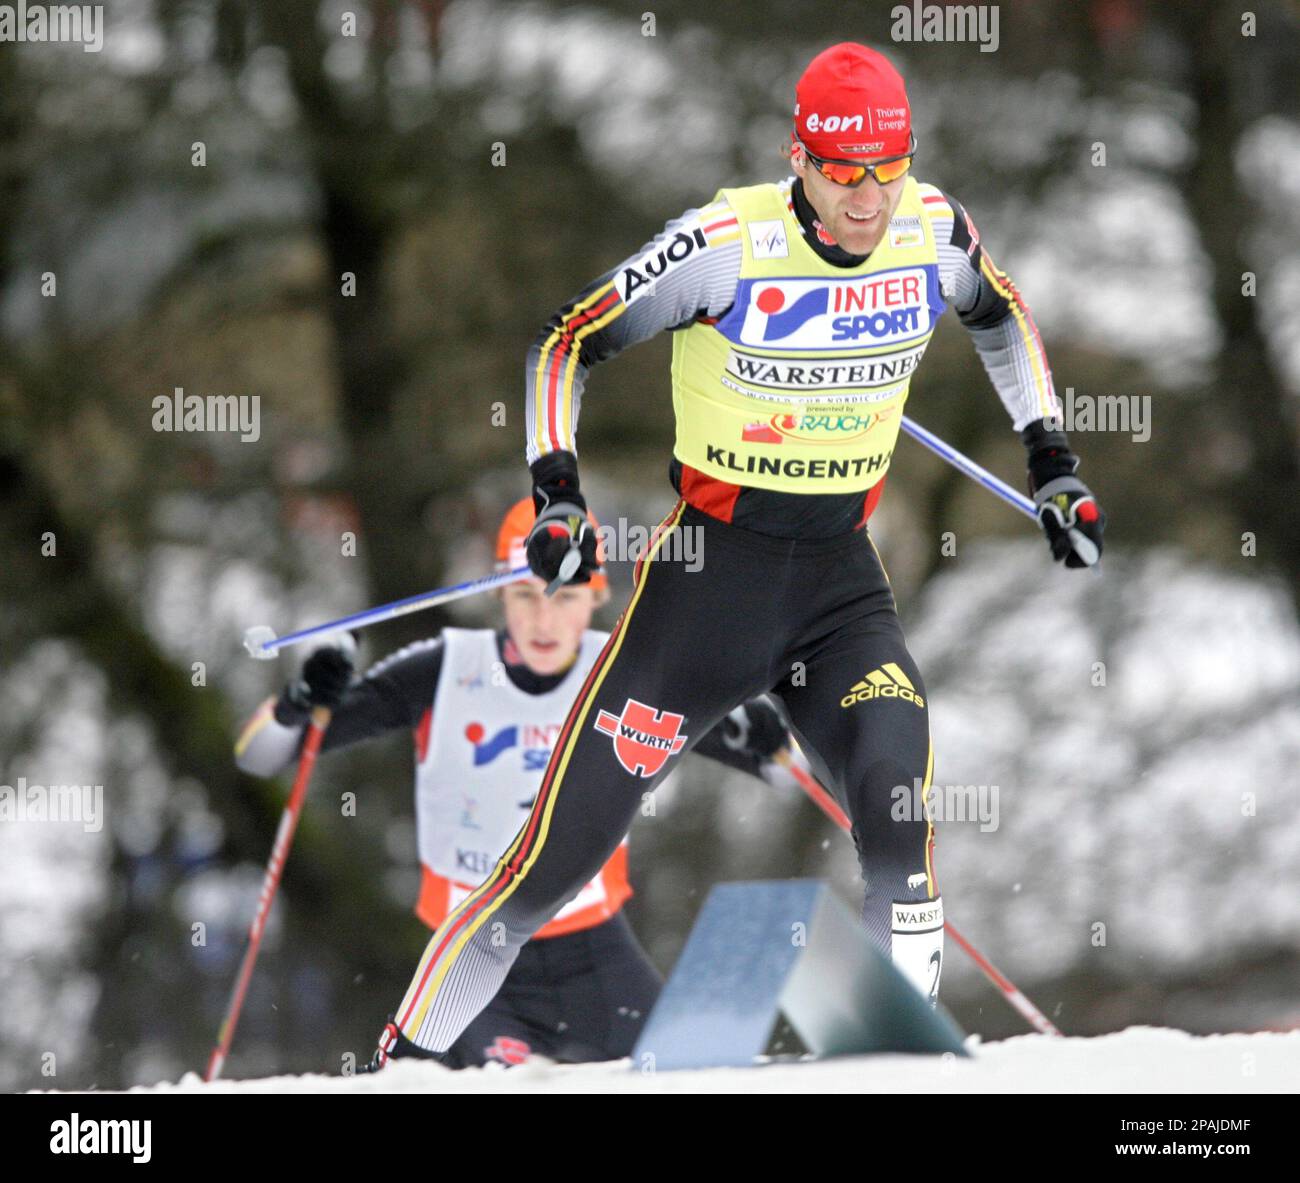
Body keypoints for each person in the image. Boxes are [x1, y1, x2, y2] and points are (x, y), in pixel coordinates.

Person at [379, 41, 1105, 1064]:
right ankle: (404, 1063)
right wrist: (557, 494)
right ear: (798, 158)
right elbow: (566, 341)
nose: (868, 200)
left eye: (887, 170)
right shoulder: (725, 244)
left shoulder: (932, 232)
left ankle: (905, 1066)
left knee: (898, 811)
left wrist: (1052, 460)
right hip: (702, 594)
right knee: (547, 869)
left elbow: (1003, 314)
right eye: (846, 172)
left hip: (839, 590)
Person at [234, 498, 791, 1068]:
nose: (544, 620)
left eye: (566, 596)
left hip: (597, 956)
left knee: (699, 1077)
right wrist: (298, 704)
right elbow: (260, 757)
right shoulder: (445, 668)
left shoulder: (630, 672)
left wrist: (777, 729)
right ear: (500, 594)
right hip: (472, 959)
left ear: (595, 599)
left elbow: (792, 777)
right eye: (526, 594)